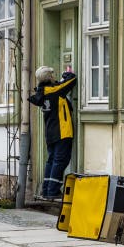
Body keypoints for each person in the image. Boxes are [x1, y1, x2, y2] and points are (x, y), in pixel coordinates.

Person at [29, 66, 77, 200]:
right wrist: (66, 73)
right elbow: (71, 80)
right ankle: (53, 191)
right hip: (61, 131)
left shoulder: (43, 91)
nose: (54, 76)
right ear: (49, 77)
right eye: (52, 74)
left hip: (50, 131)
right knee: (60, 160)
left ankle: (46, 189)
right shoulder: (55, 90)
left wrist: (59, 81)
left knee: (51, 160)